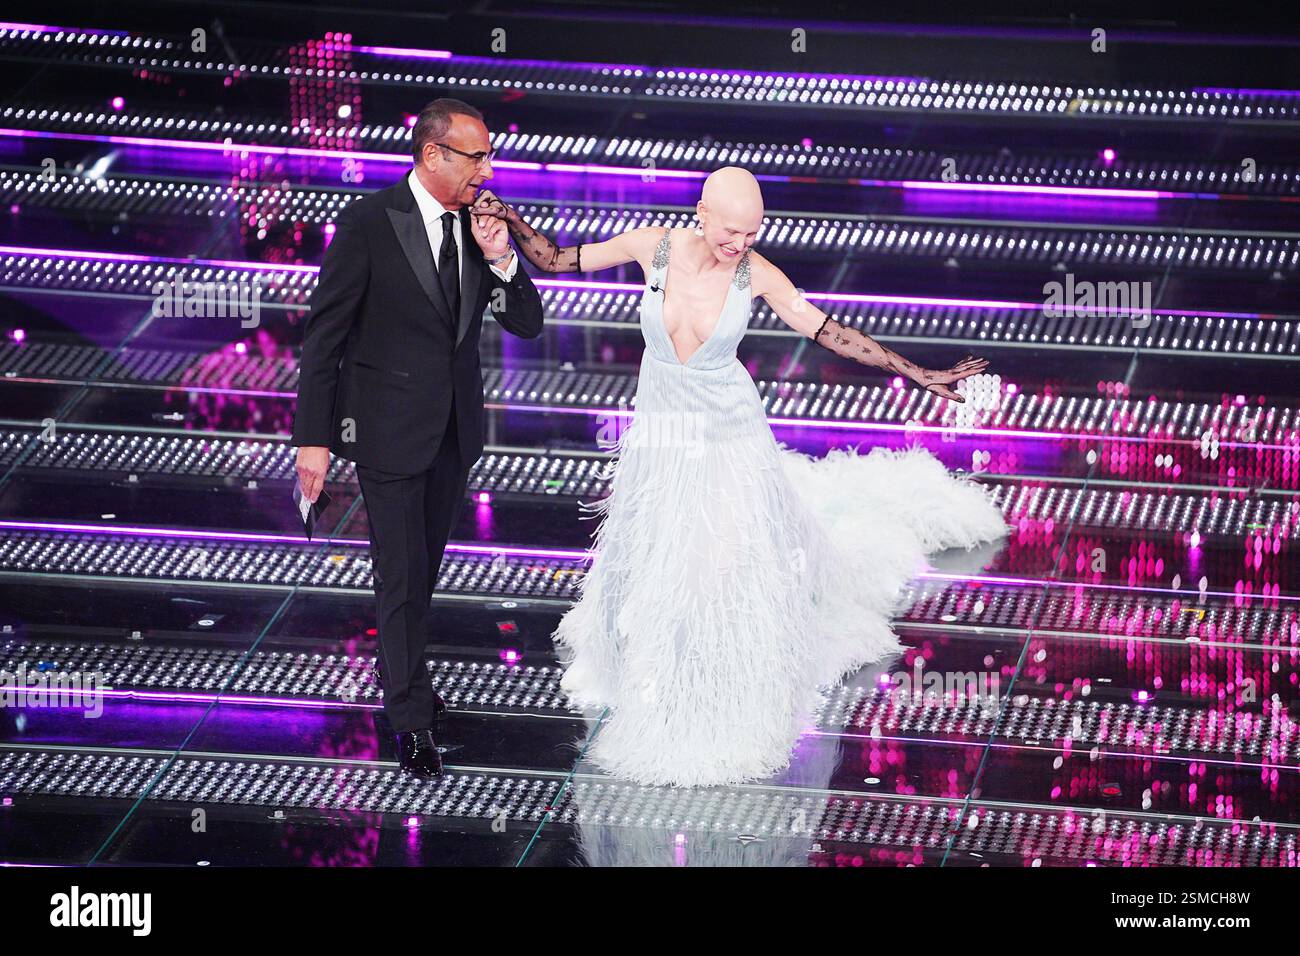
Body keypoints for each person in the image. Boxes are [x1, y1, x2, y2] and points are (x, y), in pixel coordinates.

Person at [471, 166, 1009, 787]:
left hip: (728, 438)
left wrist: (917, 373)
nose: (741, 244)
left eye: (752, 233)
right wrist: (509, 216)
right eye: (731, 231)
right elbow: (560, 259)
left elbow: (829, 332)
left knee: (719, 567)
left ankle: (717, 691)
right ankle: (657, 675)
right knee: (659, 560)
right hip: (662, 436)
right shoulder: (653, 246)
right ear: (701, 212)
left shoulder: (758, 276)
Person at [293, 98, 545, 778]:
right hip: (387, 433)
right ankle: (409, 720)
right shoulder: (370, 223)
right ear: (433, 155)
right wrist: (312, 438)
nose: (486, 170)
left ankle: (411, 685)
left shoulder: (480, 221)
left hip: (454, 432)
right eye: (476, 157)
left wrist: (502, 261)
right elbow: (325, 336)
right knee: (400, 577)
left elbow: (528, 322)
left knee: (419, 577)